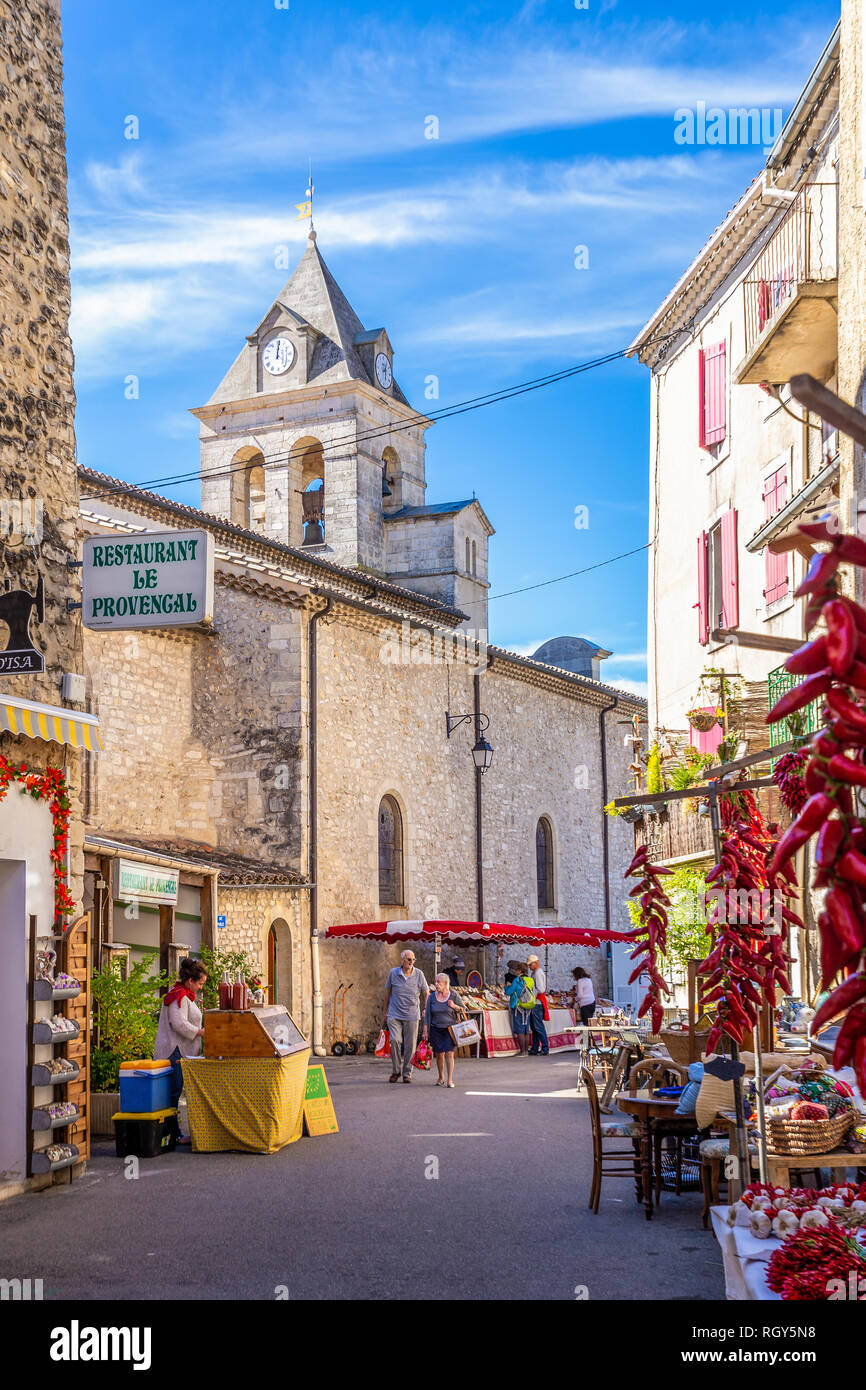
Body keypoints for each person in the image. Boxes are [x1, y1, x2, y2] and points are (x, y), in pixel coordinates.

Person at [155, 957, 208, 1127]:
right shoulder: (178, 996)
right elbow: (179, 1024)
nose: (201, 988)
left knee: (173, 1093)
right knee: (173, 1093)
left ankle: (173, 1132)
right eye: (200, 983)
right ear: (190, 980)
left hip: (179, 1050)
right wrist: (201, 1032)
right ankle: (171, 1134)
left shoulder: (183, 995)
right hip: (174, 1050)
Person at [383, 949, 429, 1083]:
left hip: (412, 1014)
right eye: (409, 959)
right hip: (394, 1013)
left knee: (410, 1045)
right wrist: (385, 1012)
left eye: (413, 960)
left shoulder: (419, 974)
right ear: (402, 960)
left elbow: (426, 993)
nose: (411, 962)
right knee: (395, 1041)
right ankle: (396, 1071)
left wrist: (426, 1008)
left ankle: (407, 1073)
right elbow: (387, 994)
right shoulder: (393, 973)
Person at [422, 972, 464, 1088]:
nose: (436, 984)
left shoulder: (454, 995)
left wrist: (454, 1006)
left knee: (449, 1054)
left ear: (445, 983)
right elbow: (427, 1016)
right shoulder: (431, 997)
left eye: (438, 982)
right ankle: (441, 1077)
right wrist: (425, 1031)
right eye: (435, 982)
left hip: (450, 1030)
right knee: (439, 1054)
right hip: (436, 1029)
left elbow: (463, 1009)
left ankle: (450, 1080)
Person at [506, 964, 535, 1055]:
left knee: (520, 1030)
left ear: (519, 971)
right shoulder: (530, 980)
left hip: (518, 1006)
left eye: (517, 970)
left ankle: (522, 1052)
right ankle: (526, 1051)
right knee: (526, 1029)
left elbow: (508, 992)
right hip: (527, 1006)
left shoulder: (517, 980)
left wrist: (507, 986)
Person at [527, 953, 549, 1056]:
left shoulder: (538, 973)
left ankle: (545, 1048)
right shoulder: (536, 972)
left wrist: (531, 993)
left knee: (538, 1026)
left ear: (535, 963)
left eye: (530, 965)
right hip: (535, 1002)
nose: (529, 967)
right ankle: (535, 1048)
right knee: (535, 1027)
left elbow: (541, 989)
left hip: (537, 1003)